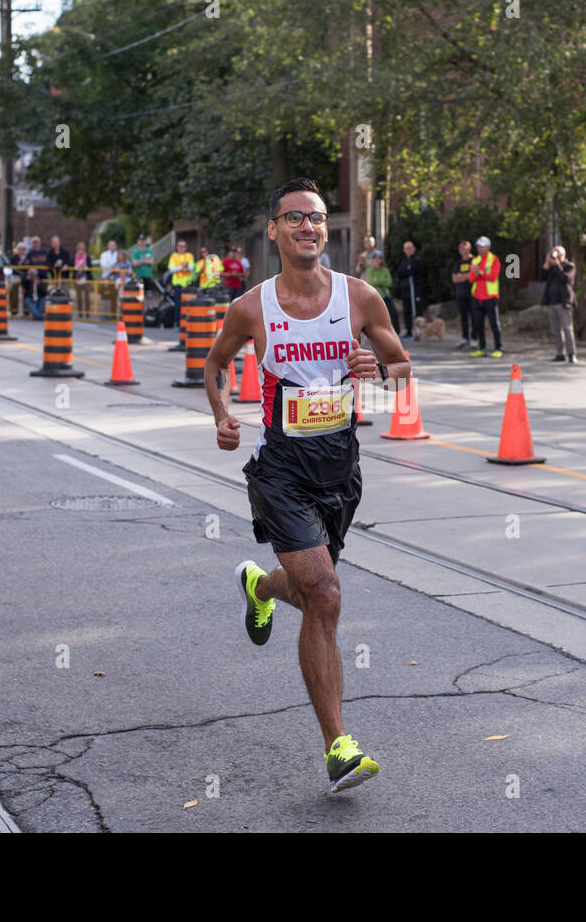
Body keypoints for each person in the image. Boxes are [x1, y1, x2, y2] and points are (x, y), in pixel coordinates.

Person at [205, 177, 409, 793]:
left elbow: (400, 371)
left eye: (316, 218)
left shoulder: (361, 297)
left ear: (326, 228)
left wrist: (382, 369)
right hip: (281, 472)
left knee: (308, 589)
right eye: (294, 218)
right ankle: (338, 746)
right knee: (325, 595)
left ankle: (260, 586)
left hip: (340, 471)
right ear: (274, 230)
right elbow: (214, 365)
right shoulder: (251, 307)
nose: (307, 228)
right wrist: (221, 415)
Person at [468, 235, 503, 358]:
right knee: (478, 323)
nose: (480, 249)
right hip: (477, 297)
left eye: (482, 247)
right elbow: (471, 279)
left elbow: (493, 277)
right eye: (478, 247)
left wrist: (480, 272)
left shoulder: (494, 259)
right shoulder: (475, 260)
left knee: (494, 323)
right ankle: (482, 348)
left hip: (490, 297)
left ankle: (498, 347)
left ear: (488, 247)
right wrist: (477, 273)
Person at [541, 245, 577, 363]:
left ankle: (571, 354)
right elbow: (542, 278)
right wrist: (547, 263)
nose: (556, 256)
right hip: (552, 302)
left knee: (567, 329)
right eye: (554, 253)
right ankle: (559, 353)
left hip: (564, 302)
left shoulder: (569, 266)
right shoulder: (551, 268)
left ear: (564, 255)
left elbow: (565, 279)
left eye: (558, 254)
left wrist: (557, 265)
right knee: (556, 330)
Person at [395, 240, 423, 340]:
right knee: (406, 311)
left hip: (414, 289)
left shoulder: (417, 260)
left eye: (410, 248)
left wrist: (407, 272)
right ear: (404, 250)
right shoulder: (404, 262)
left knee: (417, 311)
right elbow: (400, 273)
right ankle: (409, 332)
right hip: (405, 290)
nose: (408, 250)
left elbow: (413, 271)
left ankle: (419, 332)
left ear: (414, 249)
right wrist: (407, 272)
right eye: (406, 248)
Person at [364, 252, 399, 332]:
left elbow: (389, 282)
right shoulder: (370, 271)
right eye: (375, 259)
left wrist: (377, 281)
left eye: (378, 259)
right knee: (375, 316)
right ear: (372, 260)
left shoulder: (385, 270)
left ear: (381, 260)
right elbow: (371, 282)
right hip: (375, 297)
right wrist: (382, 281)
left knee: (393, 314)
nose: (376, 261)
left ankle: (396, 332)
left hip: (385, 296)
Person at [168, 239, 195, 339]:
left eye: (183, 246)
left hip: (187, 284)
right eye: (180, 246)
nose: (182, 248)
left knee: (188, 305)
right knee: (178, 304)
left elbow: (192, 268)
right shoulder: (173, 256)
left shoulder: (189, 256)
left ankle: (188, 323)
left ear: (186, 247)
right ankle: (178, 323)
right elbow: (171, 269)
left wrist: (184, 267)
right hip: (178, 284)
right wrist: (183, 266)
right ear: (177, 247)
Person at [452, 240, 474, 348]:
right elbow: (455, 278)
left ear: (469, 248)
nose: (461, 249)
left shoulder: (474, 261)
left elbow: (473, 275)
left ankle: (475, 338)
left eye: (463, 247)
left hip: (473, 294)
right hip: (461, 294)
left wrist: (462, 276)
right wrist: (466, 276)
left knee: (475, 317)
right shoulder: (458, 263)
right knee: (463, 317)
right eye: (460, 247)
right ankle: (465, 338)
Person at [72, 241, 92, 317]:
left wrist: (84, 267)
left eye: (82, 249)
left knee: (87, 297)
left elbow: (90, 267)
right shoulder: (75, 258)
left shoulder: (87, 258)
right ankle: (80, 313)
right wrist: (77, 267)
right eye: (79, 249)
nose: (81, 251)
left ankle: (87, 313)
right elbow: (72, 266)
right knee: (79, 297)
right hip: (78, 280)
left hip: (86, 279)